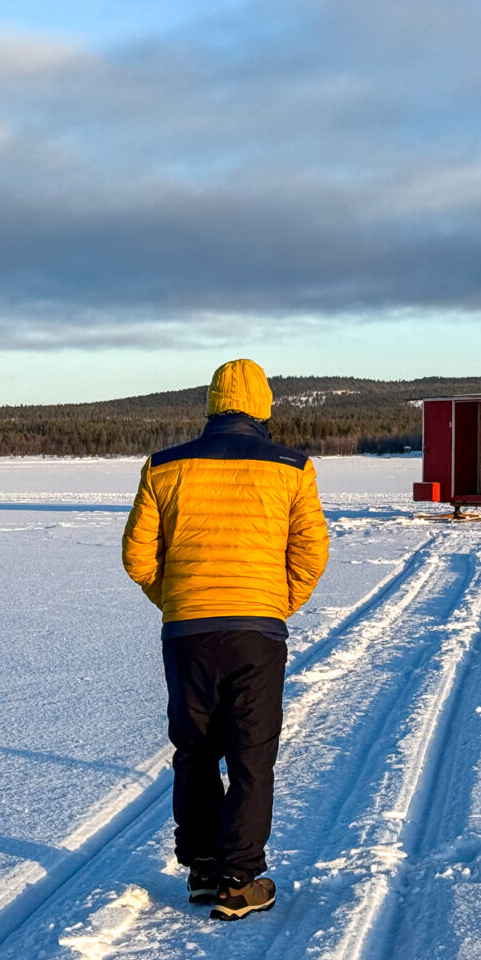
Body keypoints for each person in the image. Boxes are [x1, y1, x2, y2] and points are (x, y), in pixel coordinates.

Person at [122, 359, 330, 922]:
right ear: (263, 404)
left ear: (212, 403)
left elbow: (138, 556)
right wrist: (278, 602)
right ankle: (240, 880)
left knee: (194, 750)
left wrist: (176, 601)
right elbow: (311, 551)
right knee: (251, 754)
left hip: (187, 631)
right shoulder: (292, 467)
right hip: (257, 631)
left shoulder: (164, 466)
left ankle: (203, 869)